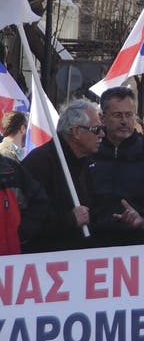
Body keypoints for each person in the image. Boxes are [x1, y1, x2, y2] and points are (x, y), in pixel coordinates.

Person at [89, 87, 144, 246]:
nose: (124, 121)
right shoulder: (90, 151)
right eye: (117, 115)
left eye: (129, 115)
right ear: (102, 118)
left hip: (139, 245)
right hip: (95, 245)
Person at [23, 99, 102, 252]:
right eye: (96, 129)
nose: (102, 134)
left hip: (81, 256)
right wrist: (70, 220)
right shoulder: (39, 163)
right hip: (47, 257)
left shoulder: (88, 163)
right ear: (76, 132)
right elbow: (28, 219)